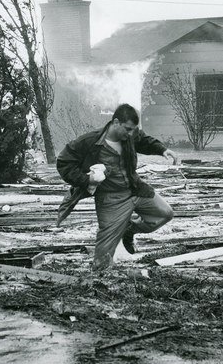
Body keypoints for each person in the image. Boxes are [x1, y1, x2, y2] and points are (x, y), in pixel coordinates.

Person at [56, 103, 179, 271]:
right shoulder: (90, 141)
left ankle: (129, 229)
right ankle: (103, 282)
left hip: (136, 189)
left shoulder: (130, 134)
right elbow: (64, 163)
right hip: (111, 199)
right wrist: (87, 180)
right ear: (115, 122)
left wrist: (162, 149)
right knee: (102, 263)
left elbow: (143, 139)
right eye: (127, 129)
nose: (130, 134)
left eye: (132, 130)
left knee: (165, 213)